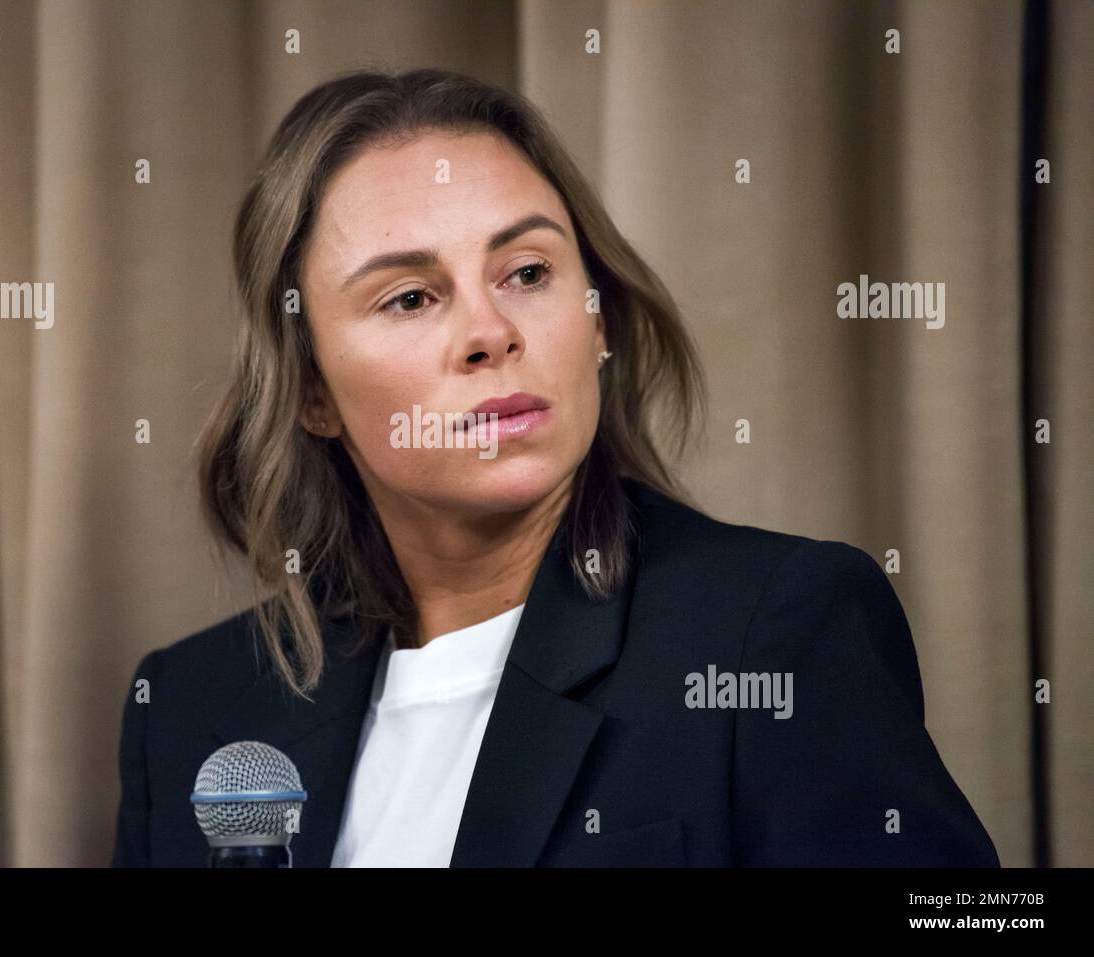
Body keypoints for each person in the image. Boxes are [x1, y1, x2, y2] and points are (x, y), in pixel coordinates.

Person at [111, 67, 999, 868]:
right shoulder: (191, 705)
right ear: (312, 392)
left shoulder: (777, 630)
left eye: (528, 271)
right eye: (411, 296)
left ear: (599, 319)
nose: (491, 331)